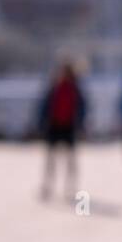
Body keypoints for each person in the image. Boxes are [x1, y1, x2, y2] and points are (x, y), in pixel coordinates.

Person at [37, 61, 86, 201]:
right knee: (50, 159)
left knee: (70, 159)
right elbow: (44, 106)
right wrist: (41, 122)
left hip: (69, 126)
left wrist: (81, 124)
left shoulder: (75, 89)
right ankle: (47, 185)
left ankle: (70, 186)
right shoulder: (54, 87)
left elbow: (82, 108)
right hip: (54, 125)